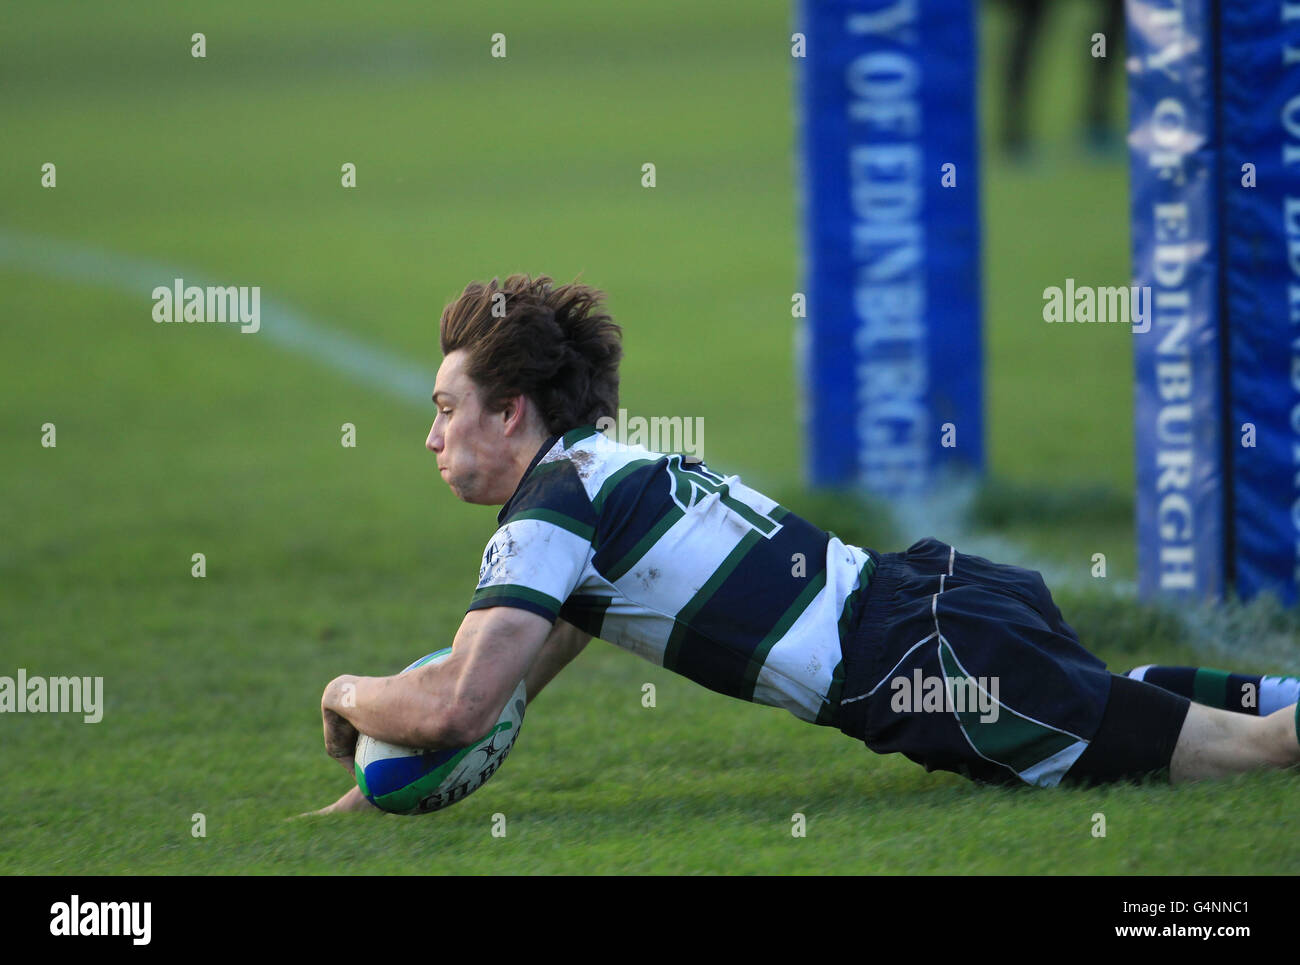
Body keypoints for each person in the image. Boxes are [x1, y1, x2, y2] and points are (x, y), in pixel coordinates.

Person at [306, 274, 1300, 815]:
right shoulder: (598, 468)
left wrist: (348, 692)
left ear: (510, 411)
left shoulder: (551, 510)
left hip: (929, 665)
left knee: (1248, 754)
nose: (433, 435)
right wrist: (368, 795)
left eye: (447, 410)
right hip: (937, 601)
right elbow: (513, 679)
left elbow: (462, 700)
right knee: (1117, 699)